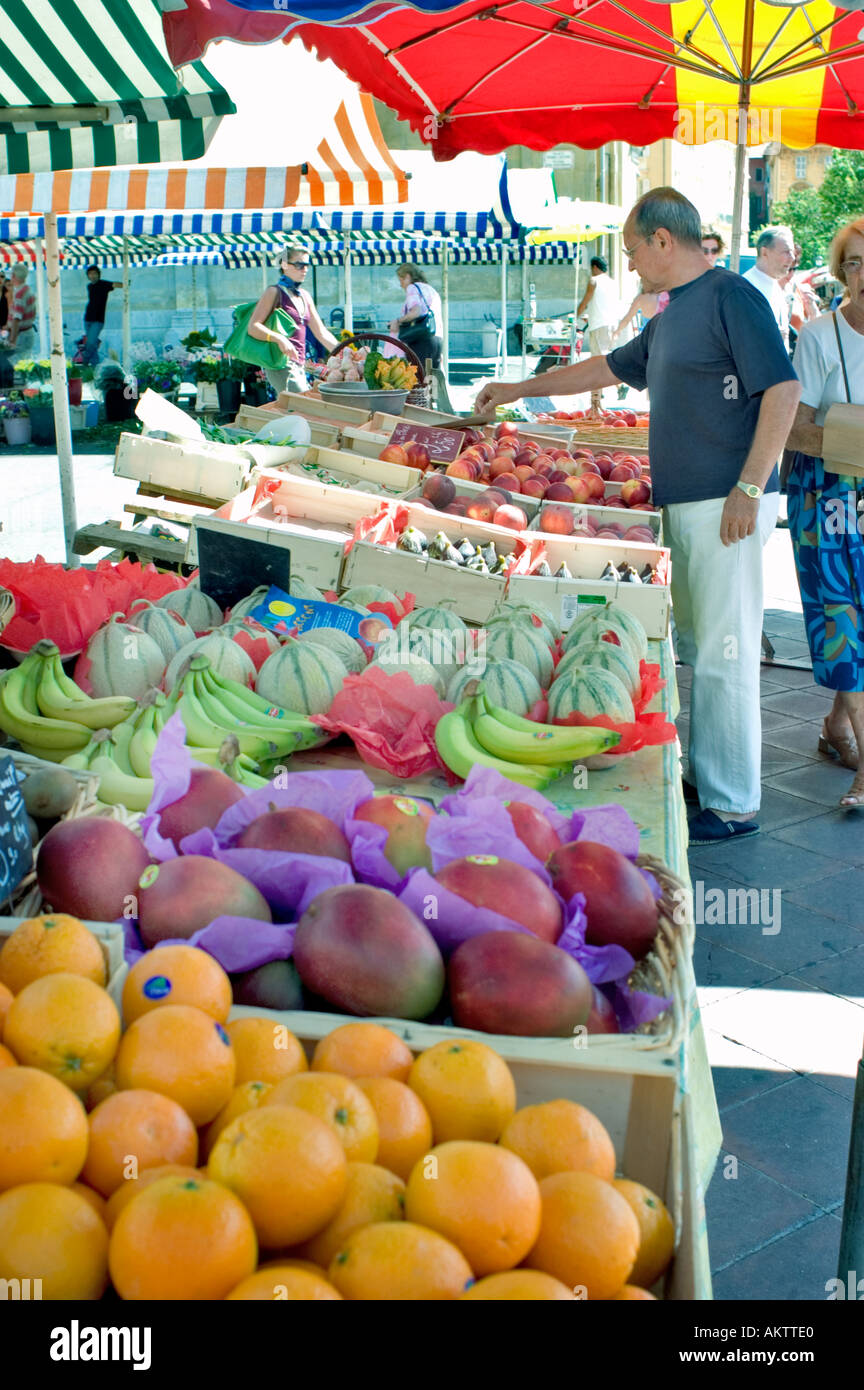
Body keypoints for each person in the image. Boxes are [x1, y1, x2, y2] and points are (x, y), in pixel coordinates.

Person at [475, 187, 801, 845]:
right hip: (684, 502)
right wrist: (519, 389)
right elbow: (606, 366)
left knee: (724, 650)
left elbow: (784, 388)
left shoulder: (732, 297)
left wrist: (749, 485)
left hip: (725, 502)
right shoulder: (673, 314)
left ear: (662, 240)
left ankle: (734, 801)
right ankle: (708, 778)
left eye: (631, 250)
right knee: (699, 648)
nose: (628, 264)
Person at [784, 217, 864, 809]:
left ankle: (839, 726)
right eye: (855, 263)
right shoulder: (818, 336)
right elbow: (795, 426)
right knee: (843, 624)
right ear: (842, 273)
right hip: (827, 501)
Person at [247, 243, 339, 396]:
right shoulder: (274, 292)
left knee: (300, 412)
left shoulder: (304, 296)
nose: (305, 270)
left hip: (300, 365)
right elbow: (253, 327)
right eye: (299, 265)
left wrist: (345, 350)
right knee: (304, 408)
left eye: (307, 265)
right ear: (284, 265)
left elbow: (321, 333)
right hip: (280, 364)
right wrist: (280, 339)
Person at [743, 226, 795, 349]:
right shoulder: (746, 289)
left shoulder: (774, 285)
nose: (792, 258)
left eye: (792, 252)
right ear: (765, 252)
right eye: (786, 252)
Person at [388, 264, 442, 369]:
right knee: (433, 377)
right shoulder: (430, 289)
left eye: (401, 280)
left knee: (417, 377)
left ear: (408, 276)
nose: (401, 285)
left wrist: (398, 321)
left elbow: (416, 312)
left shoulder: (412, 288)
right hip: (436, 338)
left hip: (420, 340)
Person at [81, 266, 119, 366]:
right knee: (92, 343)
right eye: (90, 274)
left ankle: (84, 362)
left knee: (90, 343)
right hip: (87, 318)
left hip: (98, 320)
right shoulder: (89, 286)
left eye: (94, 273)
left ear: (98, 274)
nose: (92, 276)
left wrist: (127, 283)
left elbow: (116, 284)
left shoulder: (103, 284)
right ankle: (95, 366)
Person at [7, 264, 36, 362]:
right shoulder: (28, 290)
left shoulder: (19, 294)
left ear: (14, 276)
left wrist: (12, 340)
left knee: (16, 364)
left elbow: (16, 318)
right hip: (28, 331)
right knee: (25, 361)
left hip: (21, 334)